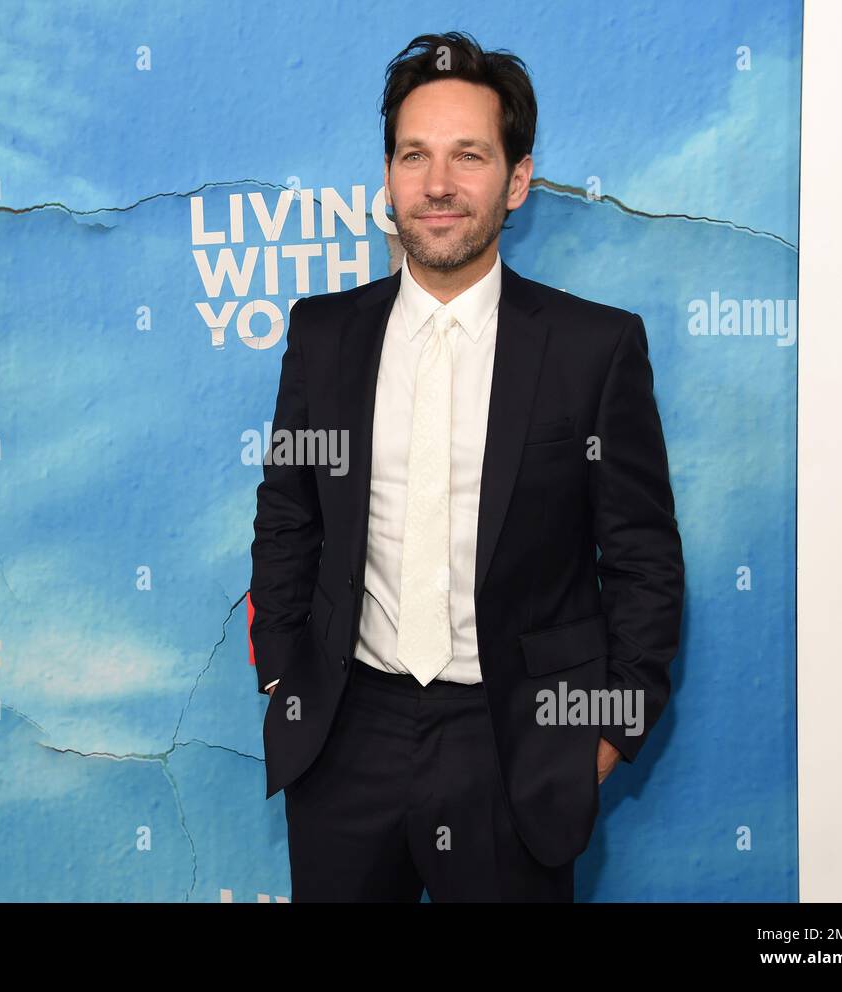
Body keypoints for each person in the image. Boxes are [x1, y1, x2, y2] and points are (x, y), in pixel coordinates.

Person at [249, 30, 684, 902]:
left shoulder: (593, 349)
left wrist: (595, 740)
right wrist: (282, 676)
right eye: (415, 155)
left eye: (468, 156)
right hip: (345, 735)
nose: (438, 184)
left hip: (515, 743)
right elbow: (288, 517)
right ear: (388, 177)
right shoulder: (324, 336)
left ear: (517, 180)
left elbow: (642, 561)